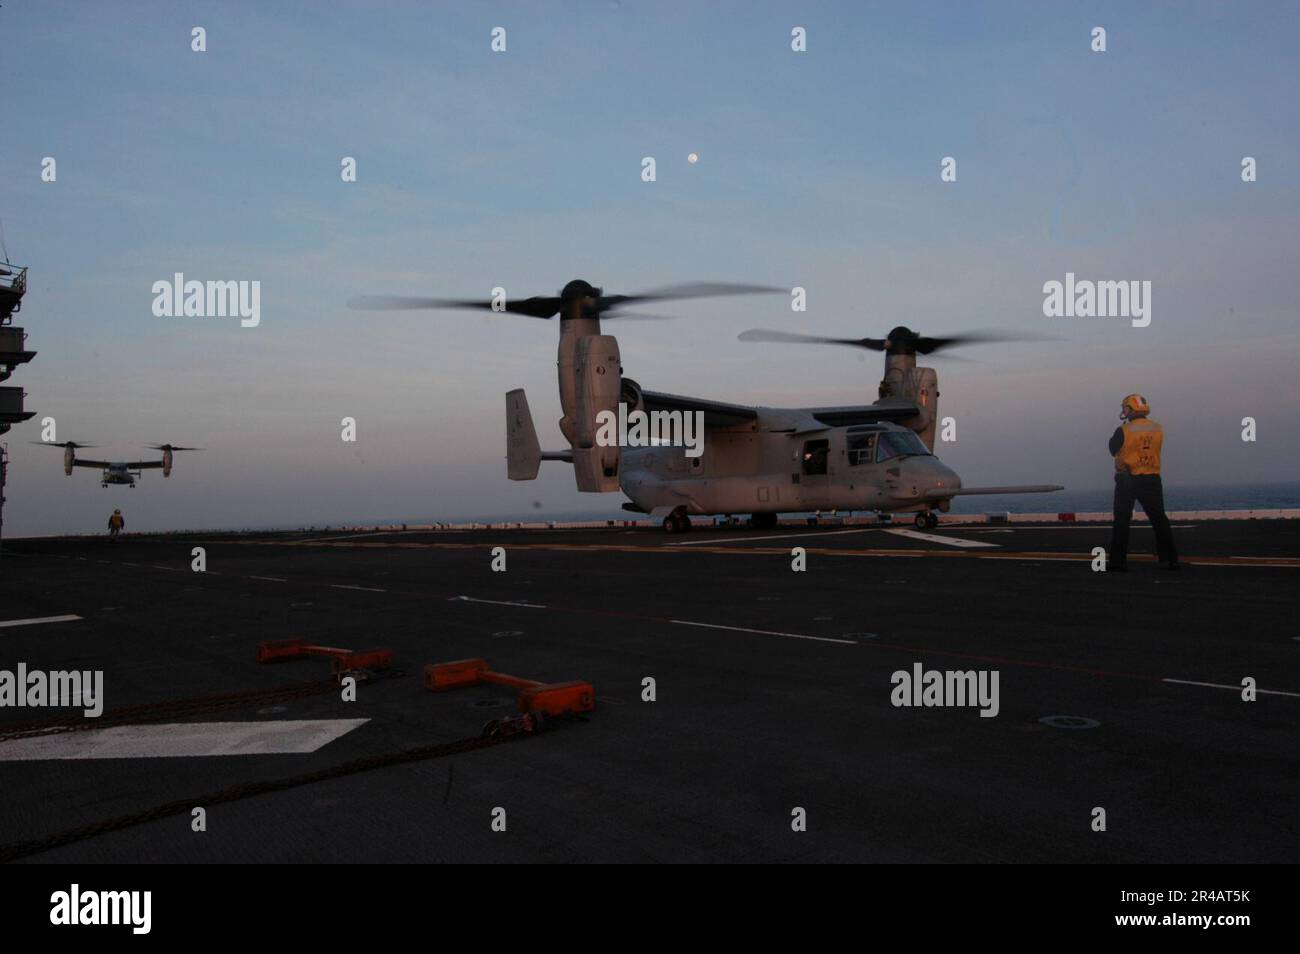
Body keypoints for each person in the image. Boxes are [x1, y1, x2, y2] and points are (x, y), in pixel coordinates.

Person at [1108, 394, 1179, 572]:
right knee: (1159, 519)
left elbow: (1112, 448)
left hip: (1127, 479)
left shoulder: (1124, 430)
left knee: (1122, 521)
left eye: (1125, 408)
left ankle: (1118, 562)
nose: (1123, 411)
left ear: (1131, 409)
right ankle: (1170, 559)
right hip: (1152, 478)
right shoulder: (1158, 428)